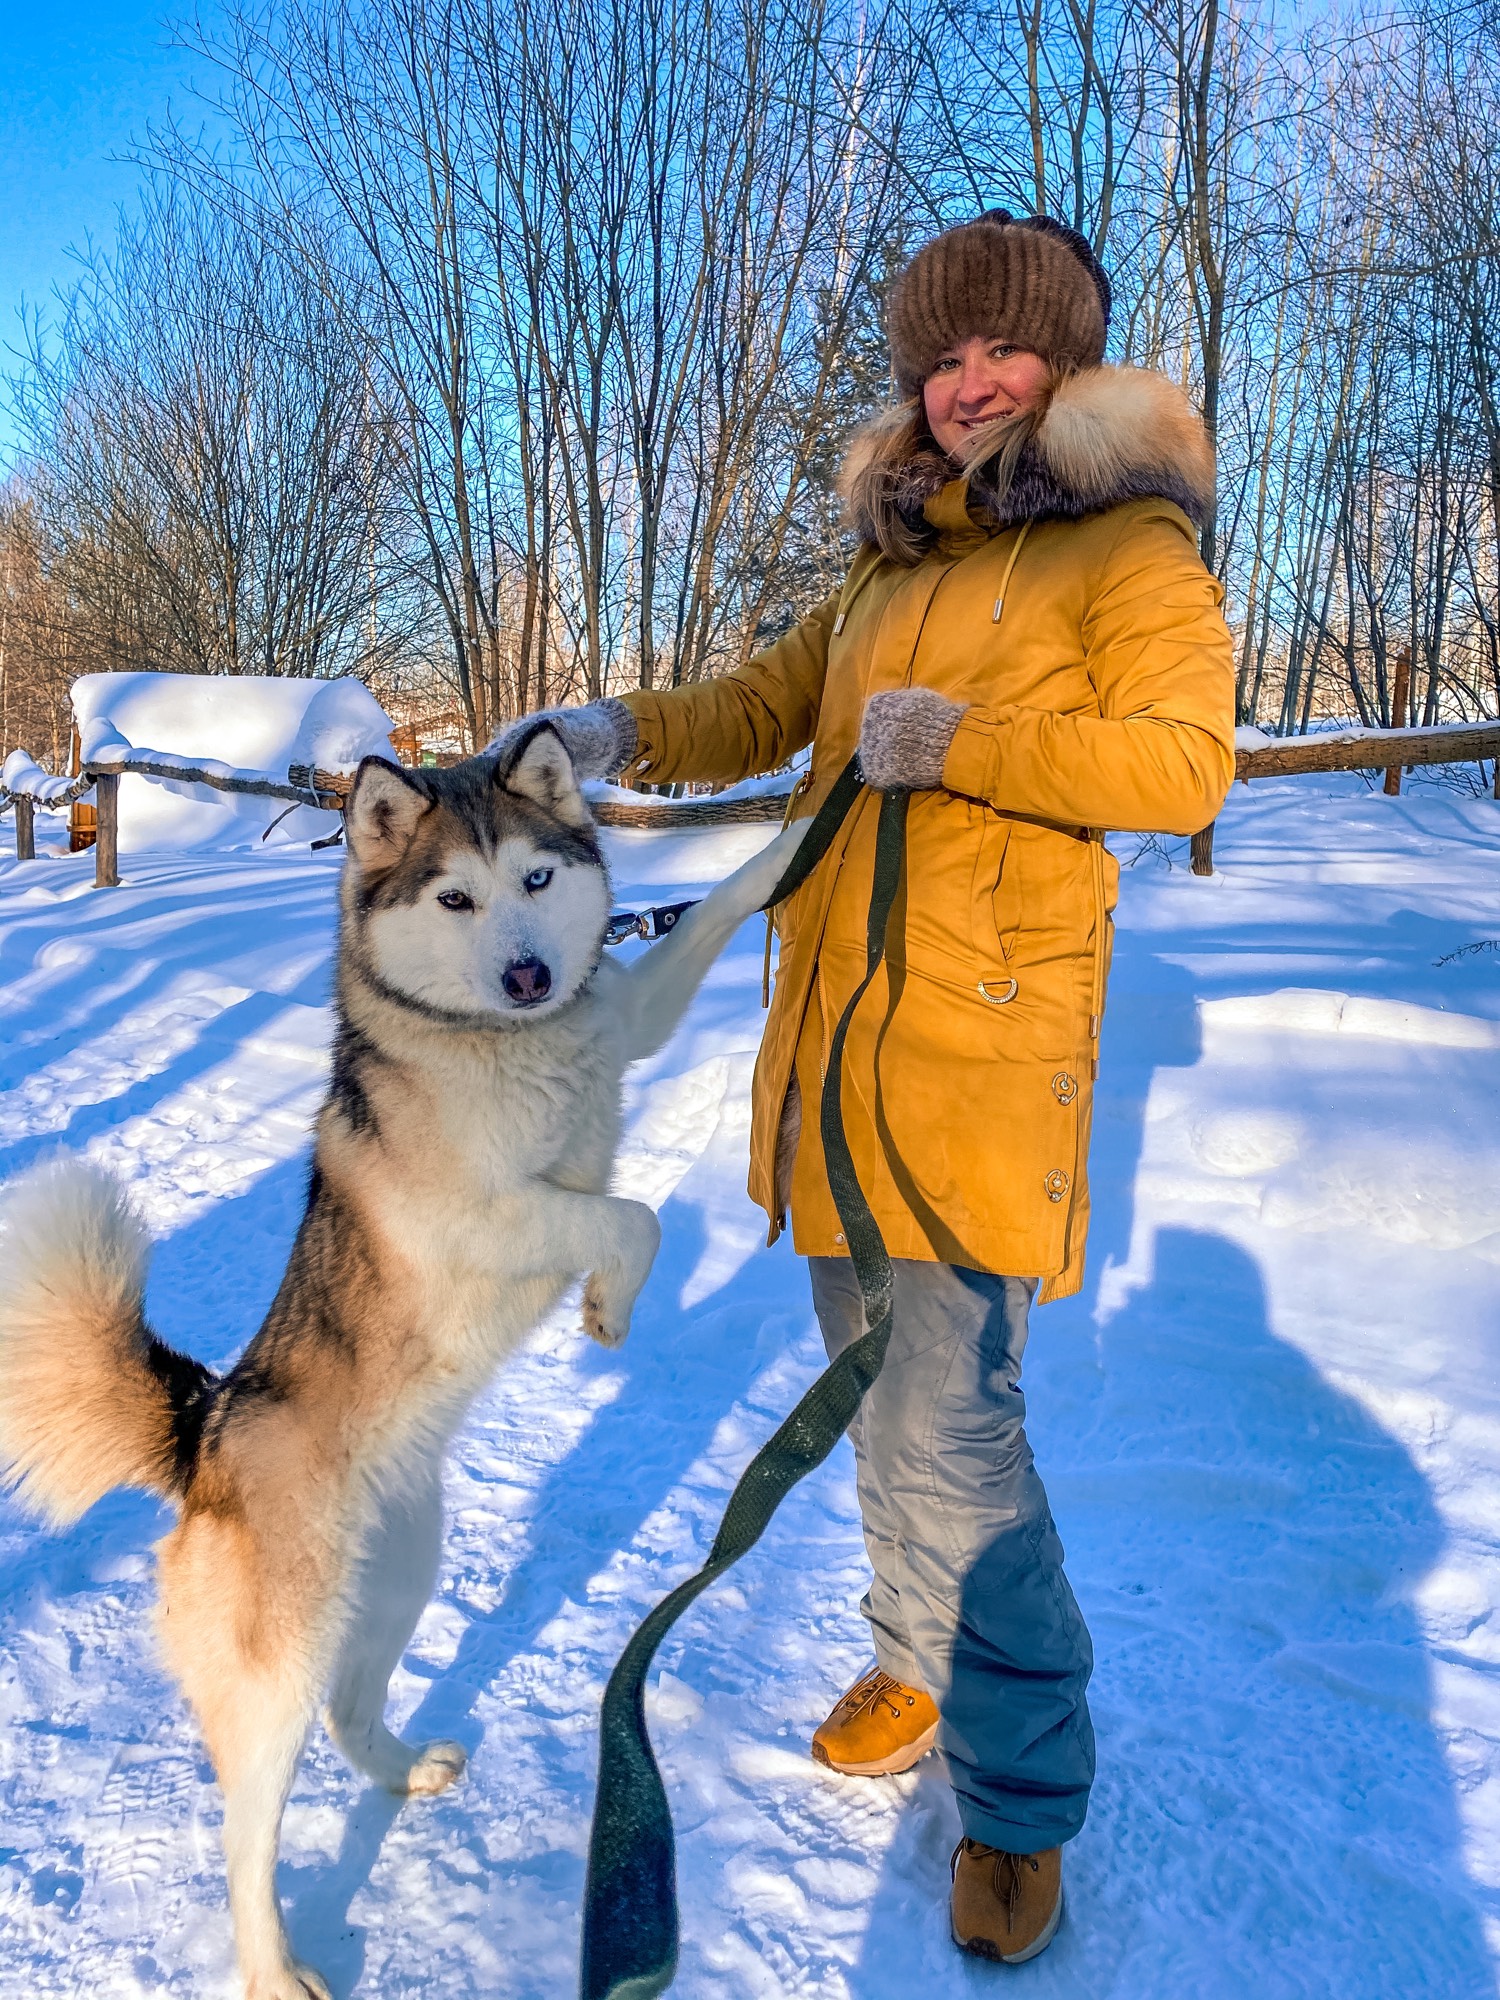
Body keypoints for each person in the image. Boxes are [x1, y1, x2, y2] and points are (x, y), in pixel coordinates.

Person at [498, 211, 1235, 1964]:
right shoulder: (894, 563)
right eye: (942, 356)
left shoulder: (1127, 551)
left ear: (1066, 363)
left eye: (1005, 351)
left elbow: (1186, 761)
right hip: (836, 1063)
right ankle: (914, 1662)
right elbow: (770, 701)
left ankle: (1024, 1796)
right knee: (870, 1406)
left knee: (955, 1440)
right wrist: (618, 733)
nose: (970, 383)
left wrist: (966, 744)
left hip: (981, 1073)